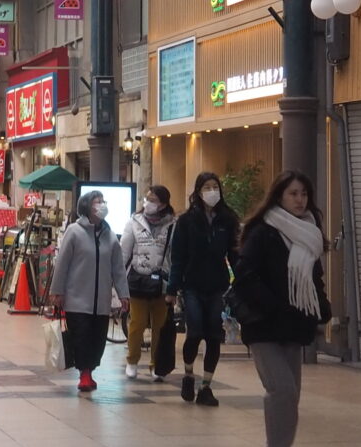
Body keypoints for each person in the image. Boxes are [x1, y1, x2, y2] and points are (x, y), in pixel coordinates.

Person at [229, 171, 331, 447]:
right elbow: (245, 276)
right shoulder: (263, 231)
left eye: (304, 194)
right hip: (263, 324)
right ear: (279, 196)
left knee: (291, 393)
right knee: (281, 389)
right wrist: (272, 304)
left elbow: (314, 278)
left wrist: (322, 309)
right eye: (293, 194)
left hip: (294, 325)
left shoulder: (310, 233)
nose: (300, 200)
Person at [166, 171, 237, 405]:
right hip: (192, 285)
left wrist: (241, 281)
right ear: (198, 192)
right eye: (206, 187)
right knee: (194, 331)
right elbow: (178, 257)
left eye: (215, 186)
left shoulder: (227, 220)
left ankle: (206, 386)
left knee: (214, 336)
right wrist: (172, 289)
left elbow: (235, 255)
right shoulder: (186, 221)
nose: (211, 191)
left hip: (217, 285)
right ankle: (188, 374)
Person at [51, 190, 128, 392]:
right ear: (87, 206)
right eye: (97, 201)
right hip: (77, 299)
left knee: (98, 339)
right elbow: (62, 264)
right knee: (82, 338)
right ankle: (84, 374)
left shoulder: (110, 236)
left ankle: (89, 371)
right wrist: (57, 291)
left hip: (101, 301)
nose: (102, 205)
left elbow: (118, 268)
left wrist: (123, 294)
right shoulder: (74, 232)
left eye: (103, 201)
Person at [119, 185, 176, 380]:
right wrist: (118, 282)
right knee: (137, 324)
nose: (148, 203)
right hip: (137, 280)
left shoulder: (172, 225)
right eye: (147, 198)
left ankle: (156, 364)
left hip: (162, 283)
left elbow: (175, 256)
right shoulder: (134, 222)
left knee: (160, 326)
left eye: (153, 200)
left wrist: (175, 287)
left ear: (163, 204)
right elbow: (124, 252)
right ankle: (132, 361)